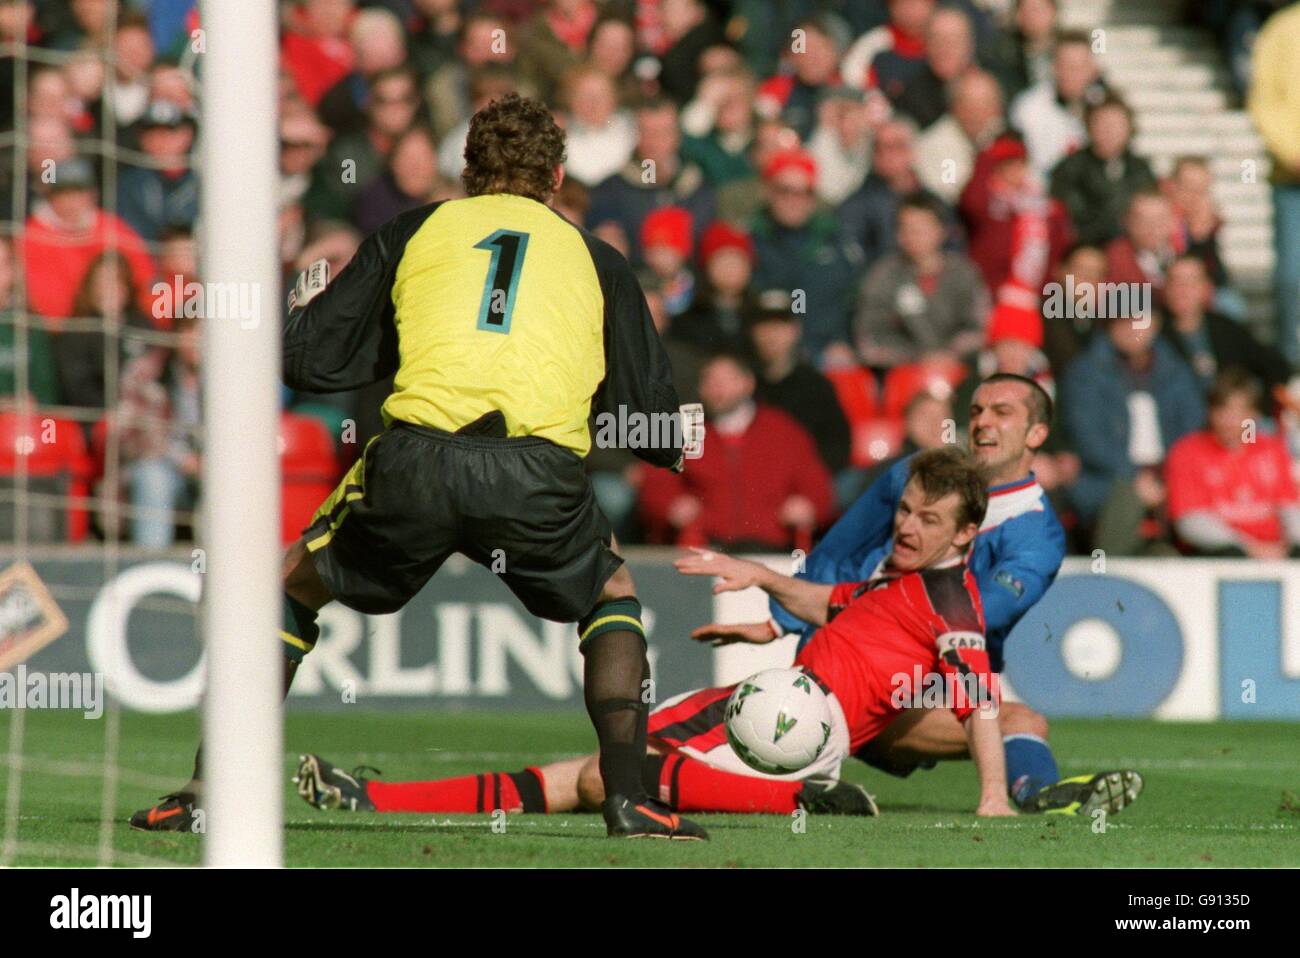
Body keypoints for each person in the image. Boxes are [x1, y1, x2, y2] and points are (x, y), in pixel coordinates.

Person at [130, 93, 709, 842]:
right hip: (536, 474)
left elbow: (309, 362)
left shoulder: (415, 228)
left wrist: (305, 304)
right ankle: (630, 800)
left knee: (292, 587)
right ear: (558, 177)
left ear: (466, 171)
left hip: (416, 461)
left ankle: (209, 791)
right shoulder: (598, 260)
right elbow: (654, 430)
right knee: (613, 592)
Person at [295, 449, 1043, 820]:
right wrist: (761, 579)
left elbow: (979, 695)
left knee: (602, 777)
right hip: (765, 704)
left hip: (784, 724)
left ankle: (807, 801)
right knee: (589, 771)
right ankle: (378, 799)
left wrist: (991, 798)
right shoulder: (902, 584)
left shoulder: (952, 601)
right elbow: (834, 605)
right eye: (906, 509)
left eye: (929, 519)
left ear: (967, 532)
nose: (907, 526)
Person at [766, 374, 1133, 816]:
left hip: (923, 684)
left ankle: (1040, 795)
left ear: (1037, 433)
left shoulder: (1037, 534)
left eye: (1002, 412)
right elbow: (839, 549)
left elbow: (985, 614)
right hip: (855, 668)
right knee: (1006, 719)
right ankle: (788, 777)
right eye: (976, 411)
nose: (982, 423)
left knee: (1023, 722)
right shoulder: (916, 474)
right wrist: (781, 620)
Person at [638, 351, 834, 551]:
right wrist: (670, 505)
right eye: (709, 380)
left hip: (771, 547)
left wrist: (809, 506)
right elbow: (656, 480)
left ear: (748, 383)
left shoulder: (782, 429)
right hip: (705, 546)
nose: (716, 388)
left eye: (726, 380)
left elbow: (816, 485)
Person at [1061, 312, 1205, 554]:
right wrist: (1134, 477)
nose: (1131, 329)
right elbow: (1088, 438)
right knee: (1126, 498)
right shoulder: (1086, 371)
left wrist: (1169, 475)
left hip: (1168, 473)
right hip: (1107, 477)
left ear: (1155, 325)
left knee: (1201, 497)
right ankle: (1111, 575)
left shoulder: (1176, 369)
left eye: (1139, 321)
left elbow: (1191, 427)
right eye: (1122, 323)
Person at [1166, 368, 1300, 559]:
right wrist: (1251, 549)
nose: (1229, 421)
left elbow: (1291, 508)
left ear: (1253, 415)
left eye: (1238, 412)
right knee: (1229, 553)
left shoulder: (1271, 448)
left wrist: (1289, 547)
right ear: (1210, 412)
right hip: (1219, 554)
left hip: (1277, 554)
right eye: (1222, 410)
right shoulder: (1187, 451)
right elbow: (1190, 522)